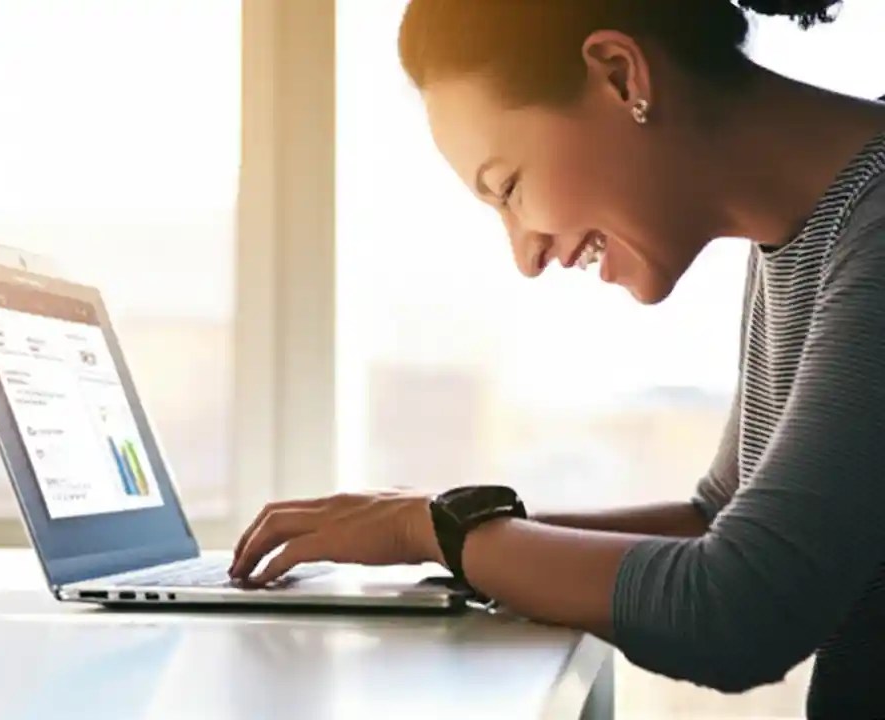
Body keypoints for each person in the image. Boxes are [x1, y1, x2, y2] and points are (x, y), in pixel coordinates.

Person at [228, 1, 885, 716]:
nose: (526, 254)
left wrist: (437, 529)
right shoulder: (817, 222)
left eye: (509, 188)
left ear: (621, 76)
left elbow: (743, 606)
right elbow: (718, 516)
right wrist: (451, 526)